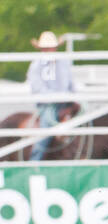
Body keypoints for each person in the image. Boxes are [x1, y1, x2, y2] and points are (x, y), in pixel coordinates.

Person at [25, 30, 75, 160]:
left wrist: (73, 97)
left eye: (51, 47)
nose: (49, 50)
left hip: (65, 102)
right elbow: (38, 87)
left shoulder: (63, 63)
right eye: (46, 48)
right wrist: (56, 97)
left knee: (86, 120)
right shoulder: (36, 65)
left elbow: (71, 83)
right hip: (48, 105)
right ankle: (35, 160)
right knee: (46, 129)